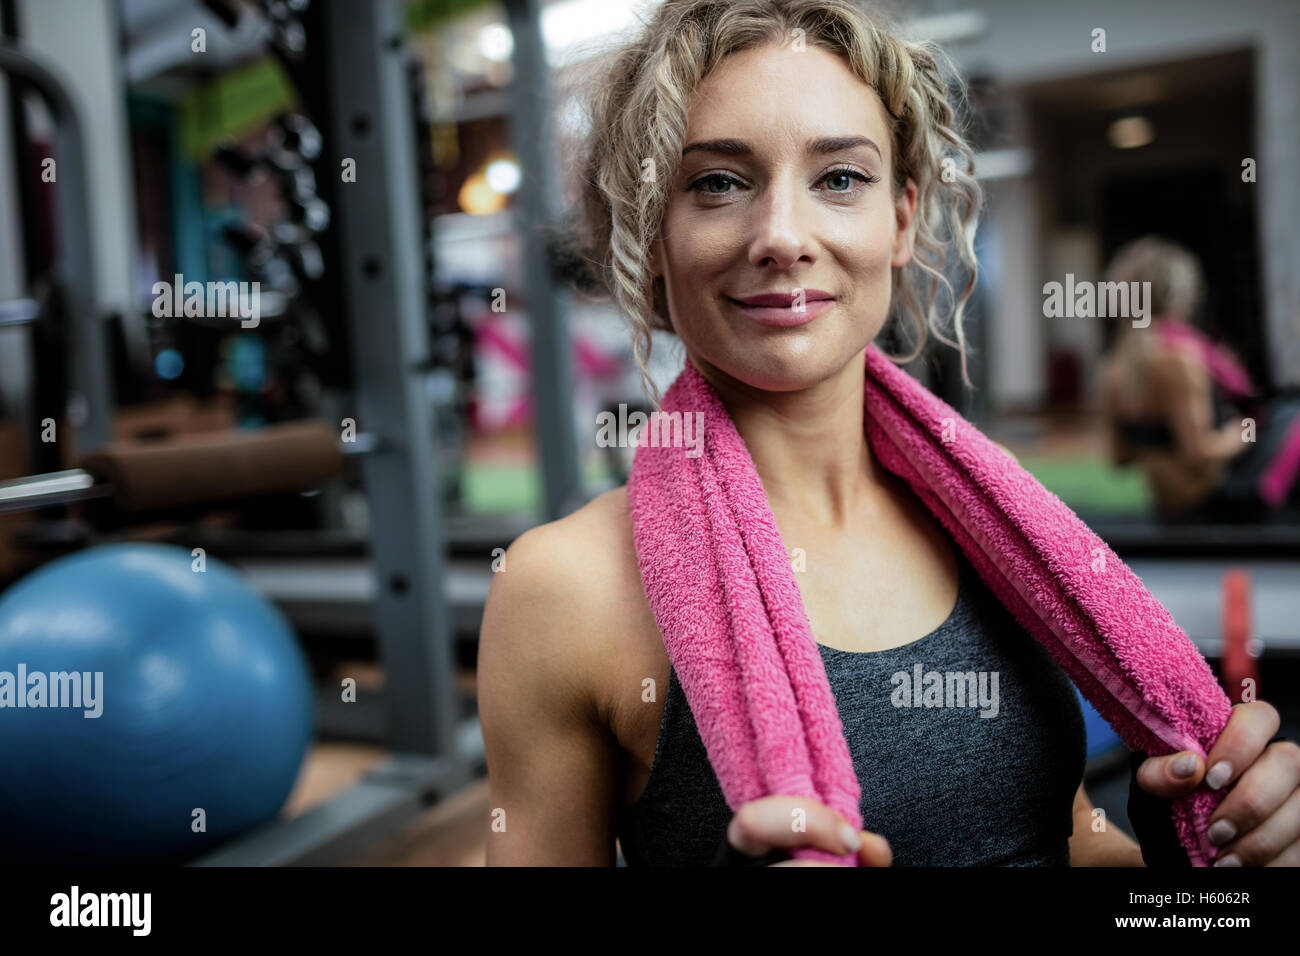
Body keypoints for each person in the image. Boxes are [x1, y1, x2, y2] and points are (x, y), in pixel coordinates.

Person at [480, 0, 1299, 866]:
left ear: (902, 218)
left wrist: (1202, 862)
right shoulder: (561, 591)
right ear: (652, 237)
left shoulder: (997, 515)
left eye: (839, 178)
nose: (783, 237)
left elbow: (1065, 836)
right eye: (717, 182)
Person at [1100, 236, 1300, 520]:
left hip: (1166, 507)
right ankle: (1270, 505)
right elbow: (1199, 452)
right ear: (1176, 294)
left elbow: (1120, 458)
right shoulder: (1180, 359)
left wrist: (1157, 442)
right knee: (1291, 412)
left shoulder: (1112, 368)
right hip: (1212, 503)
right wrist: (1246, 430)